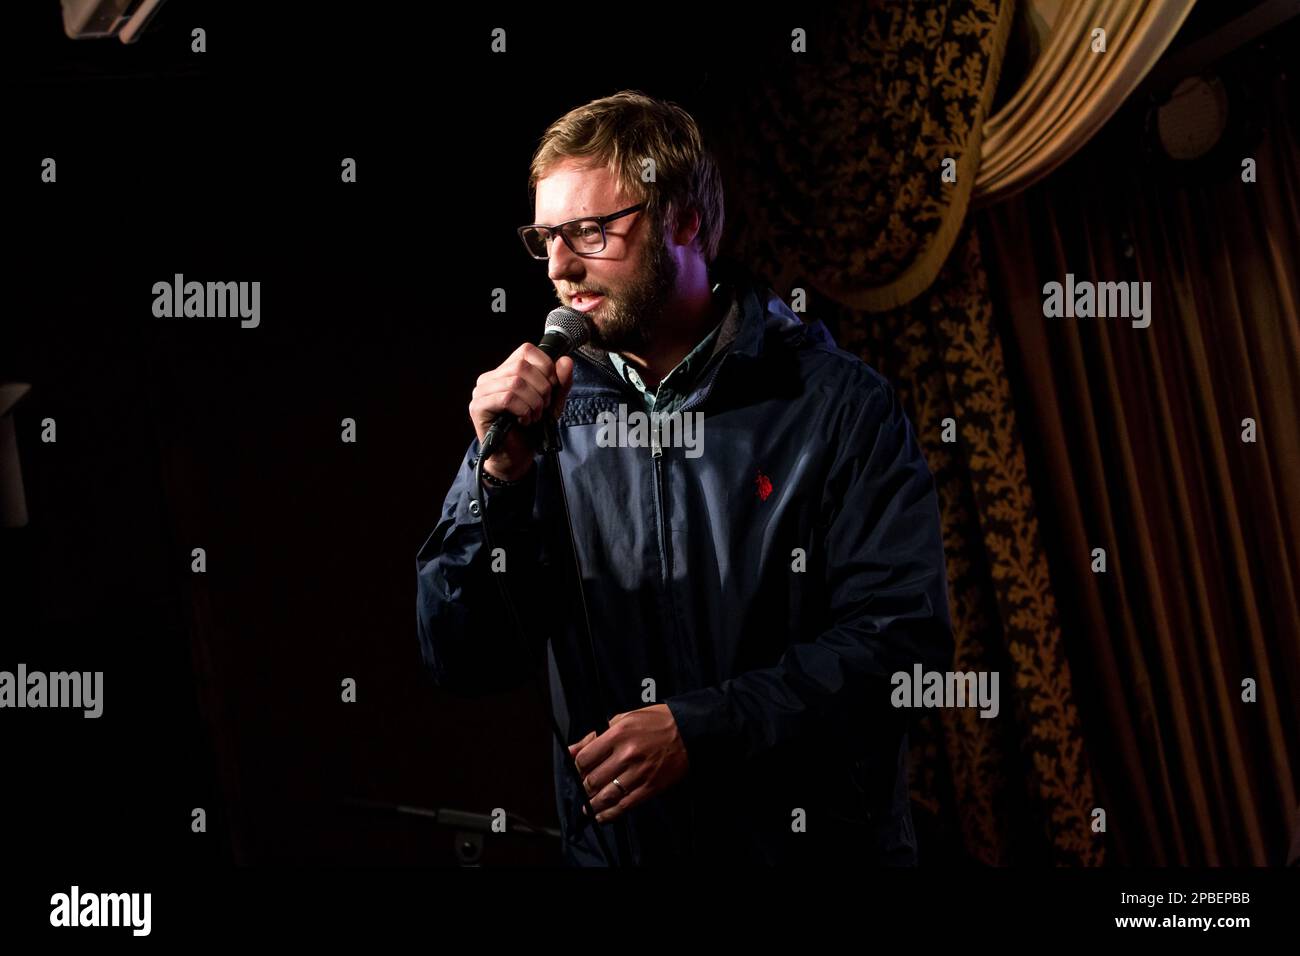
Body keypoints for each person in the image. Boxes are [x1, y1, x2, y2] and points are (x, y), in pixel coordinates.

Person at [416, 90, 953, 865]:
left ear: (684, 223)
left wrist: (703, 729)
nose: (561, 267)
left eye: (591, 232)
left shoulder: (833, 405)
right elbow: (461, 657)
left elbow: (904, 646)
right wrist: (496, 480)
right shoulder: (535, 429)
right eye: (545, 239)